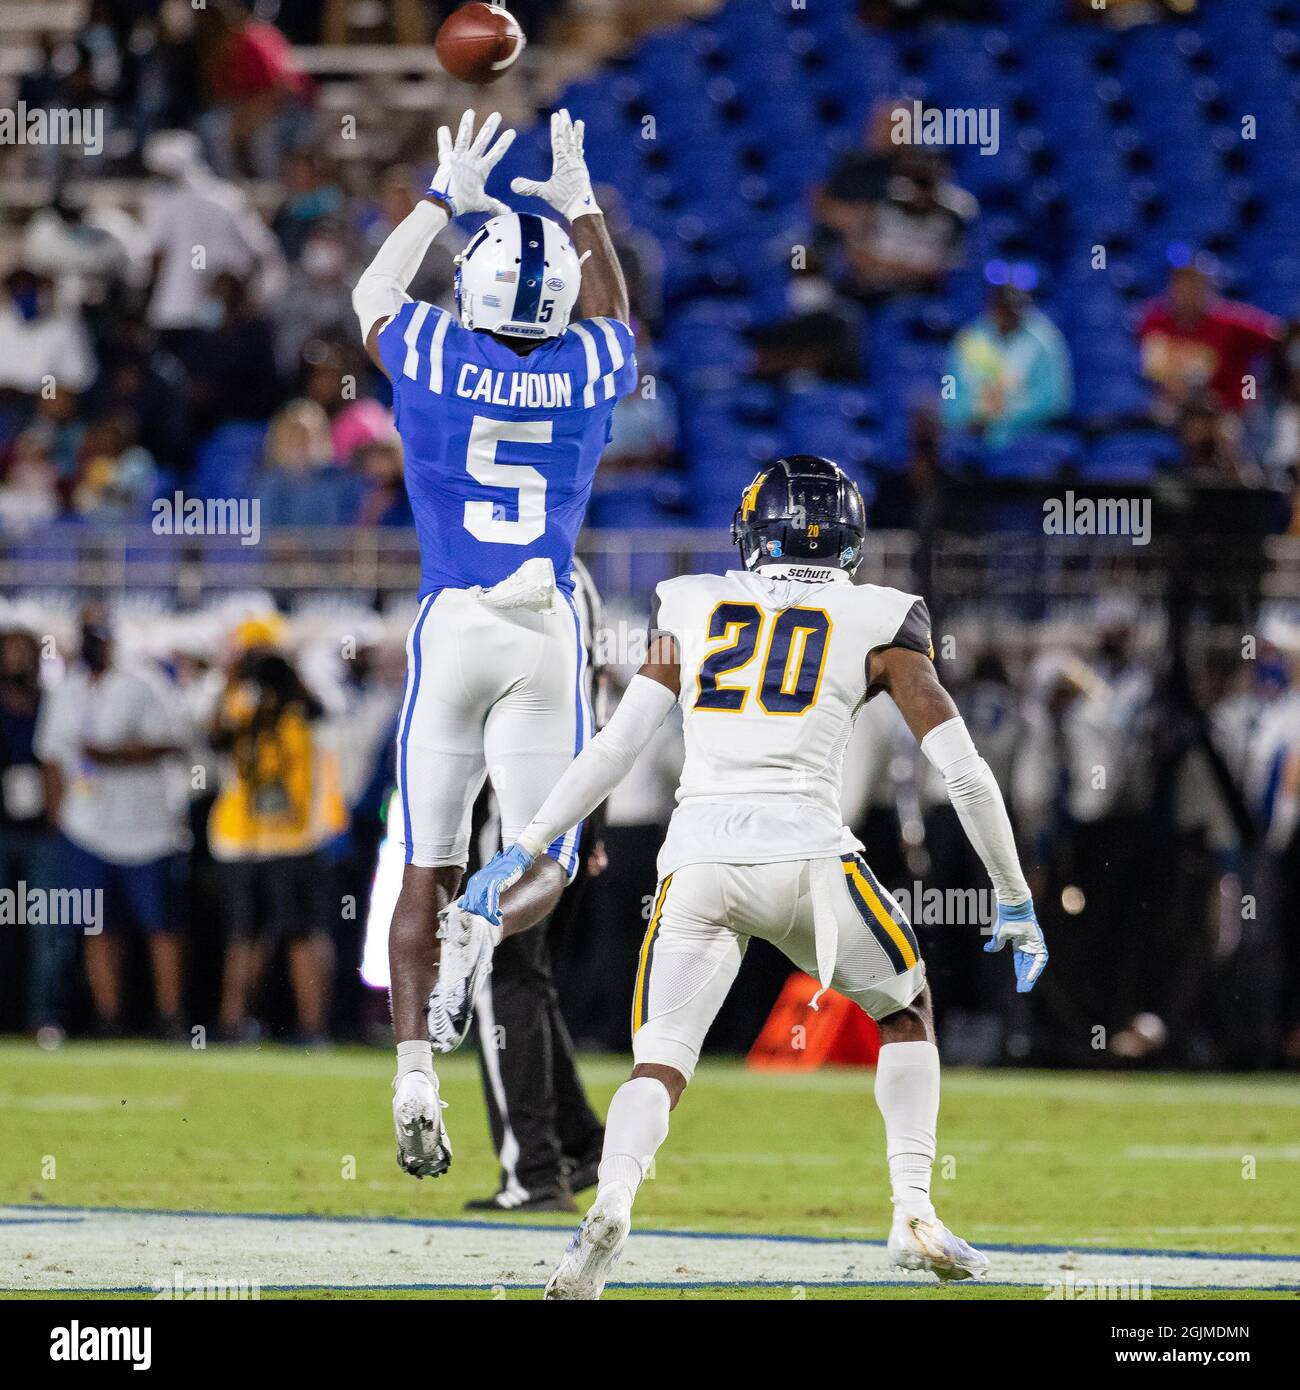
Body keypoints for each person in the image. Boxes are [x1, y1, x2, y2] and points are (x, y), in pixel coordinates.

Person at [459, 455, 1048, 1298]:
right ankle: (912, 1207)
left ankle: (616, 1198)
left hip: (696, 858)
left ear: (753, 531)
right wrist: (1016, 897)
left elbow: (616, 747)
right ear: (849, 539)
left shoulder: (693, 603)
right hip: (811, 857)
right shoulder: (880, 616)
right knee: (904, 1007)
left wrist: (527, 845)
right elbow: (964, 772)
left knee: (658, 1062)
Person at [350, 109, 634, 1179]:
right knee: (545, 859)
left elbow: (371, 294)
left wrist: (437, 196)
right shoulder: (588, 367)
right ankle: (487, 923)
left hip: (451, 621)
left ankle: (413, 1072)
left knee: (421, 865)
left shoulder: (428, 352)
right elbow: (621, 315)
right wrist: (579, 202)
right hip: (542, 626)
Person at [34, 606, 190, 1037]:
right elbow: (50, 756)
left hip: (146, 829)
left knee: (160, 926)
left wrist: (113, 756)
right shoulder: (66, 689)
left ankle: (170, 1016)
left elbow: (170, 743)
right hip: (85, 825)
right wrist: (57, 817)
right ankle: (109, 1014)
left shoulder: (143, 683)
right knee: (97, 926)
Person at [943, 282, 1073, 447]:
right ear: (991, 308)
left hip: (1029, 433)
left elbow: (1056, 400)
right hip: (974, 434)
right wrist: (969, 415)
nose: (1008, 313)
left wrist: (1005, 417)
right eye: (1002, 307)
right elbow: (951, 391)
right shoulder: (970, 339)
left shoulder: (1046, 340)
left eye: (1014, 307)